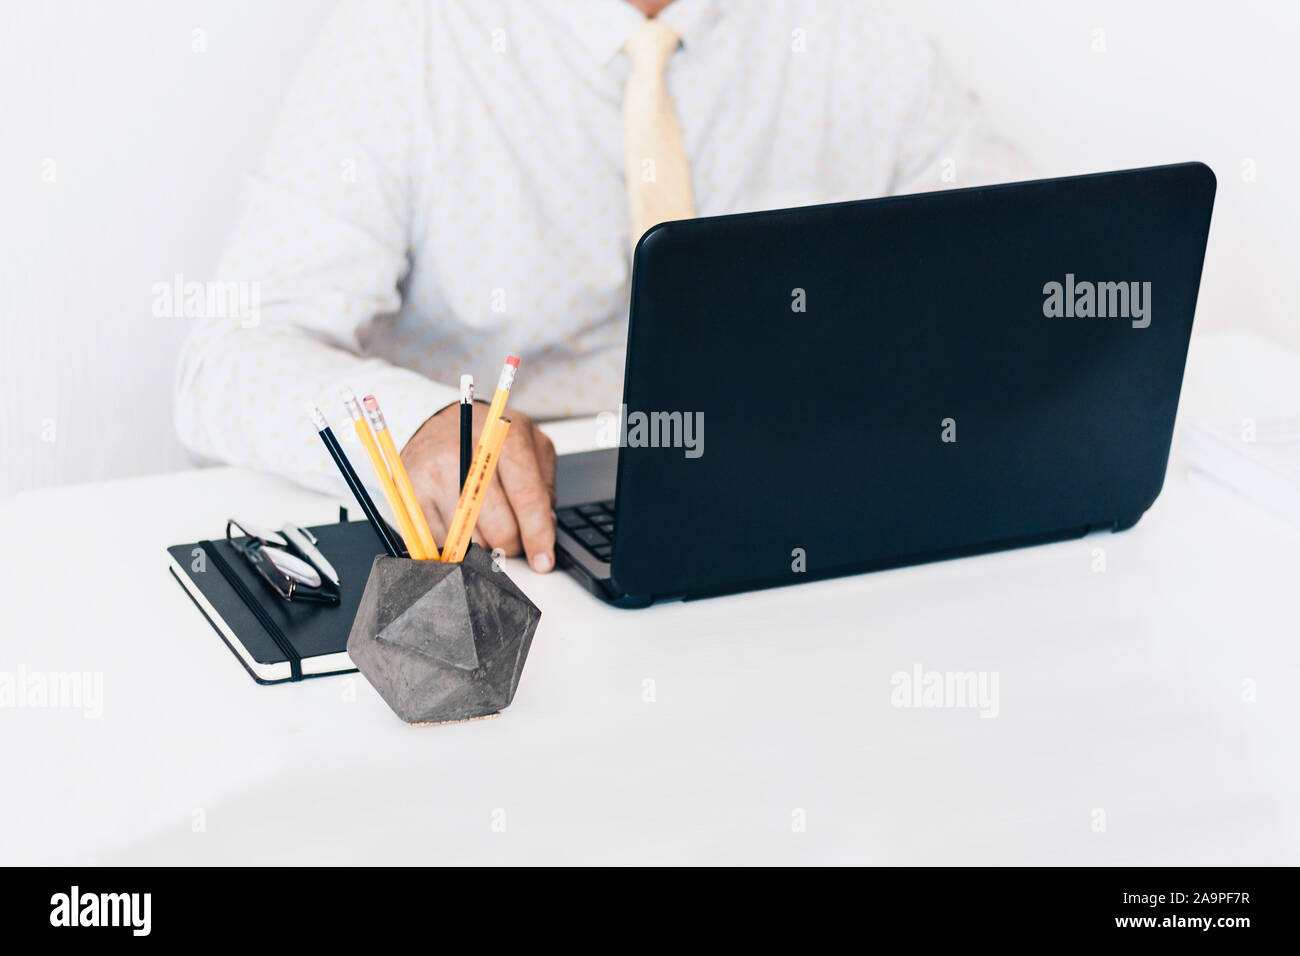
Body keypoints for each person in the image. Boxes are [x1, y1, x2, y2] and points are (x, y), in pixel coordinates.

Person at [174, 0, 1030, 573]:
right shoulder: (409, 38)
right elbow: (228, 354)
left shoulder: (850, 29)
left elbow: (1026, 262)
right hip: (517, 551)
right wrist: (417, 425)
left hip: (796, 525)